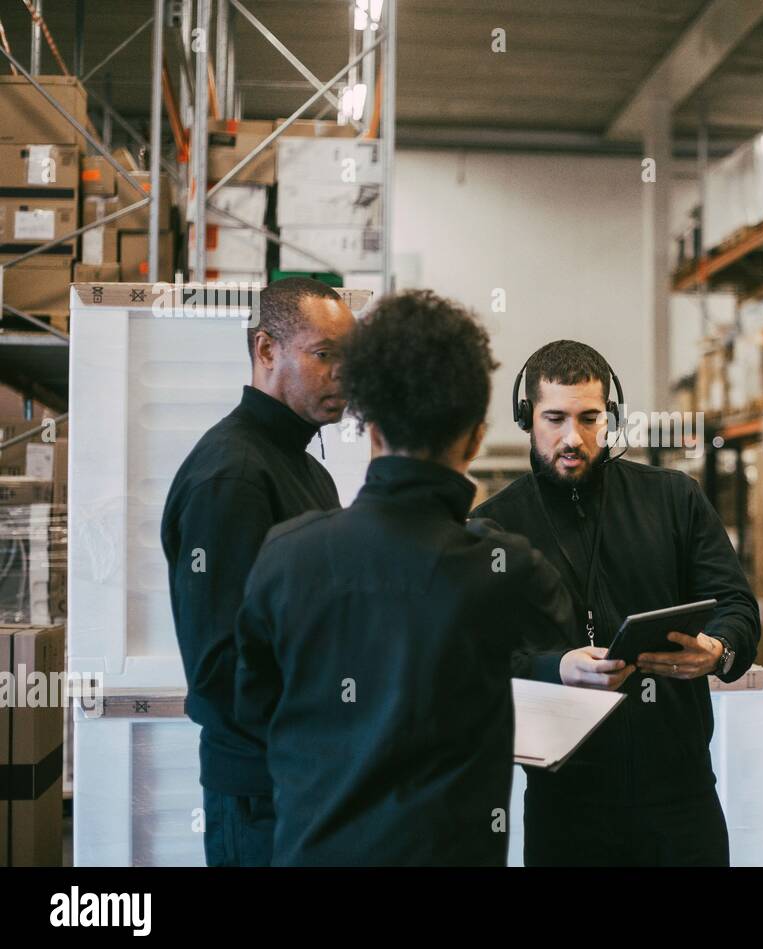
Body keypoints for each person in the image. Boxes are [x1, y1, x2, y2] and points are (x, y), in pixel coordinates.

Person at [233, 291, 571, 866]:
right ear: (476, 436)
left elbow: (252, 708)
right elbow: (555, 649)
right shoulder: (508, 569)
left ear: (369, 425)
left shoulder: (286, 556)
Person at [471, 340, 761, 866]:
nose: (573, 438)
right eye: (554, 418)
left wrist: (718, 650)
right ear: (526, 418)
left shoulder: (675, 499)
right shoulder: (493, 527)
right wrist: (554, 667)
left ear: (612, 418)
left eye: (590, 419)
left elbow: (738, 604)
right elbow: (473, 662)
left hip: (681, 796)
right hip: (565, 807)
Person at [160, 277, 355, 867]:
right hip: (263, 796)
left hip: (309, 780)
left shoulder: (306, 469)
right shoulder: (234, 477)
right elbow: (221, 672)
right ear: (266, 350)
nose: (343, 374)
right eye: (324, 355)